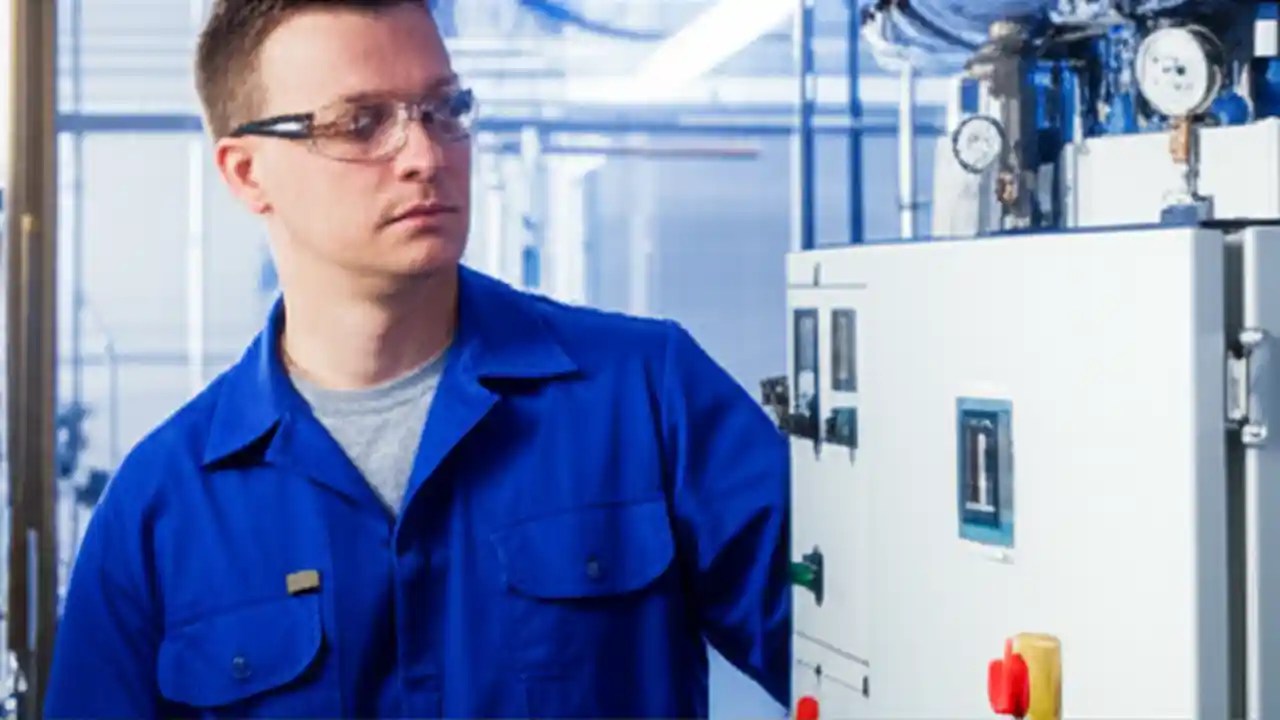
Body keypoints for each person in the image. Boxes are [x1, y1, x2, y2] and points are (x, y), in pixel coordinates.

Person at [44, 0, 791, 717]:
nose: (426, 155)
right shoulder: (159, 510)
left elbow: (868, 657)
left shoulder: (648, 399)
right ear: (247, 173)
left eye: (443, 111)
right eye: (360, 123)